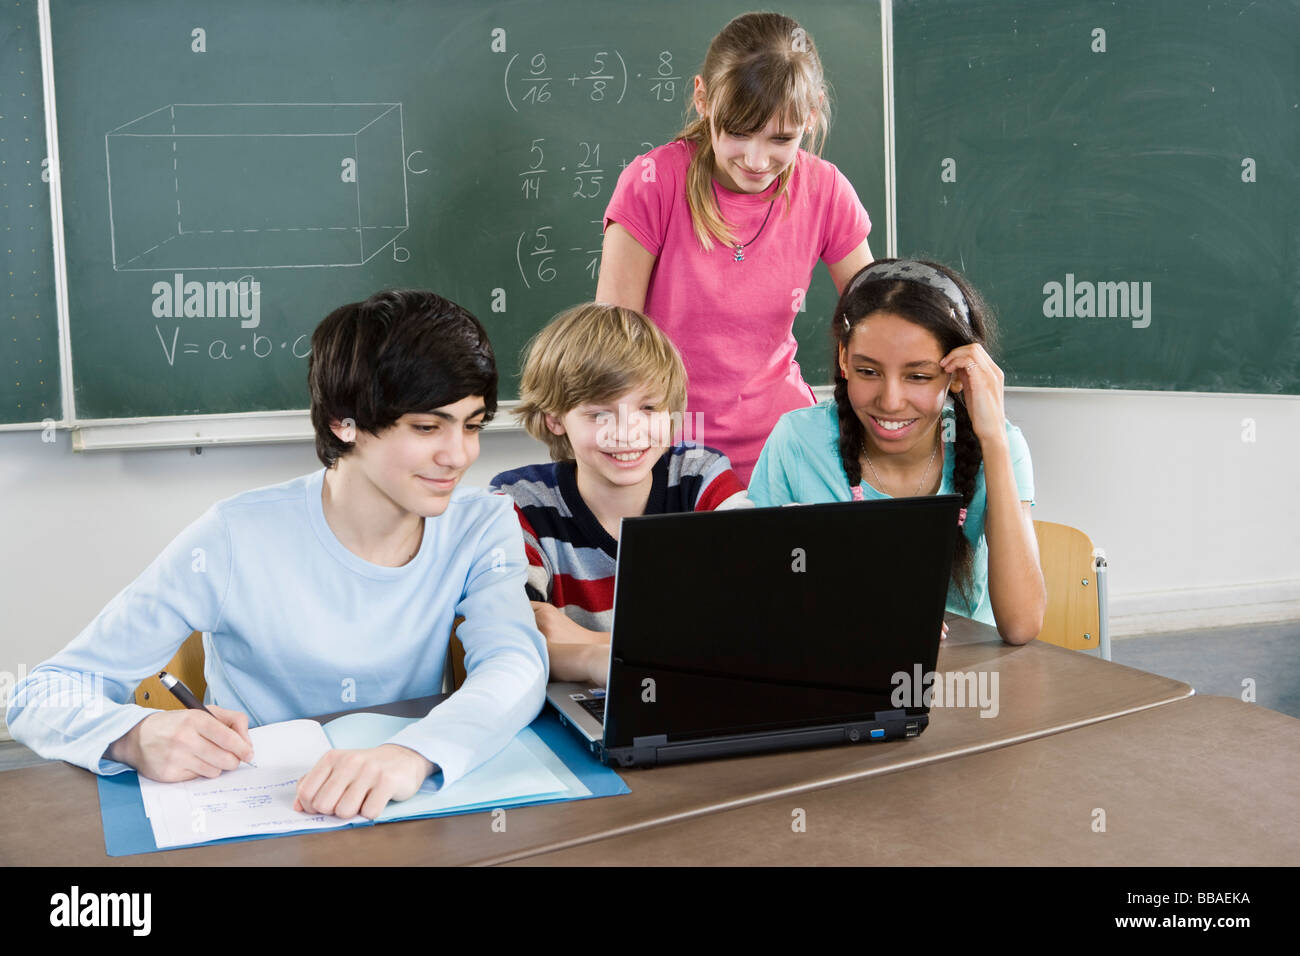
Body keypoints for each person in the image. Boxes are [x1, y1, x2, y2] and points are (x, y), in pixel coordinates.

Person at [5, 290, 547, 820]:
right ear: (344, 422)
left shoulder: (482, 524)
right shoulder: (232, 537)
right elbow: (40, 693)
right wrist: (134, 735)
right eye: (427, 427)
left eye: (472, 425)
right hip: (264, 813)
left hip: (396, 809)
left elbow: (513, 663)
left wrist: (413, 755)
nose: (458, 455)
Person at [597, 11, 874, 483]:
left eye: (781, 138)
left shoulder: (825, 188)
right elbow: (613, 337)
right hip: (670, 448)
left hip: (786, 446)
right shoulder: (653, 182)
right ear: (703, 99)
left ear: (812, 114)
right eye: (738, 133)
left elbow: (879, 314)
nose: (757, 159)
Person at [748, 259, 1046, 642]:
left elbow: (1021, 626)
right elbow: (758, 598)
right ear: (843, 359)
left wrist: (994, 440)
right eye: (868, 371)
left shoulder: (1000, 446)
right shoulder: (797, 441)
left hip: (973, 683)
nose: (890, 402)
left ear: (956, 374)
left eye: (918, 377)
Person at [490, 303, 749, 686]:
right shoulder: (521, 501)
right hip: (574, 716)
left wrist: (592, 647)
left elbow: (760, 613)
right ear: (556, 419)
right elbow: (519, 637)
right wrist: (687, 649)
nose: (628, 432)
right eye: (598, 414)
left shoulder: (700, 478)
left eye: (648, 408)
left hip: (700, 694)